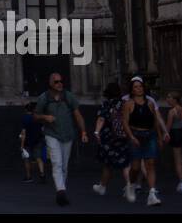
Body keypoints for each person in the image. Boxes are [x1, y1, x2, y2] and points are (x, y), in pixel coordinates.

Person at [34, 72, 89, 206]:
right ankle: (61, 191)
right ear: (50, 83)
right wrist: (45, 117)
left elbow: (77, 115)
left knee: (64, 165)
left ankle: (61, 189)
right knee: (57, 162)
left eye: (61, 81)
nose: (59, 84)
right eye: (56, 82)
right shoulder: (44, 98)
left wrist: (83, 132)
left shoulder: (68, 96)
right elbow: (36, 115)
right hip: (52, 134)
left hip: (68, 135)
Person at [122, 76, 168, 206]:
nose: (139, 89)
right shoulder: (128, 104)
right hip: (135, 134)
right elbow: (125, 122)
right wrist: (131, 136)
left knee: (150, 163)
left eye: (140, 86)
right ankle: (131, 184)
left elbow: (155, 121)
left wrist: (159, 136)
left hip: (150, 134)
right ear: (132, 90)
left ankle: (152, 193)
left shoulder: (150, 103)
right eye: (136, 87)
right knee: (135, 167)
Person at [91, 82, 131, 195]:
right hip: (122, 136)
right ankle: (129, 186)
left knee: (107, 164)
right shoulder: (124, 103)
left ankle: (102, 187)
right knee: (125, 163)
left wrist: (97, 131)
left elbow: (101, 119)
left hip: (108, 138)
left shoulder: (106, 104)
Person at [165, 91, 182, 193]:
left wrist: (165, 136)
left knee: (177, 159)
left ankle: (181, 182)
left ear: (174, 100)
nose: (167, 100)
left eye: (169, 97)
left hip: (175, 134)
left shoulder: (172, 112)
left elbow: (168, 127)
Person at [19, 101, 46, 183]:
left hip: (27, 141)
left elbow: (23, 133)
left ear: (26, 109)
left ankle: (29, 177)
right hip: (38, 140)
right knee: (39, 158)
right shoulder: (38, 118)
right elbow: (43, 129)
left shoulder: (25, 118)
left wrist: (22, 145)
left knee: (27, 159)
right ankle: (42, 174)